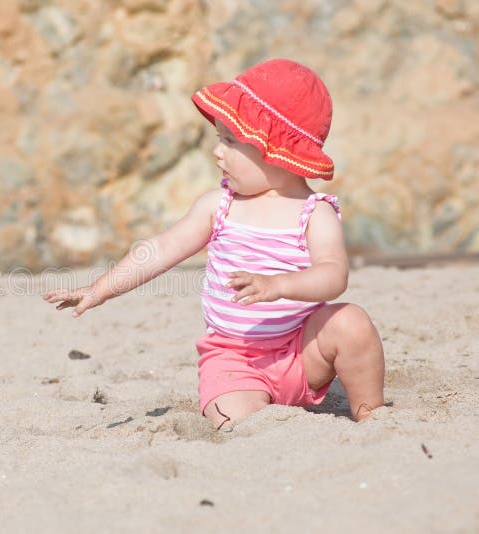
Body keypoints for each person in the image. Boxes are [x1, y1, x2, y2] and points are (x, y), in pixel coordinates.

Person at [43, 59, 385, 431]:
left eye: (230, 141)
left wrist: (279, 285)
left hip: (301, 350)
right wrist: (102, 289)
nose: (216, 152)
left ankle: (371, 414)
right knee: (235, 420)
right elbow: (160, 249)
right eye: (219, 139)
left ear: (276, 149)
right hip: (235, 357)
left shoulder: (314, 213)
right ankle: (251, 404)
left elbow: (334, 275)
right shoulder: (219, 206)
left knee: (351, 322)